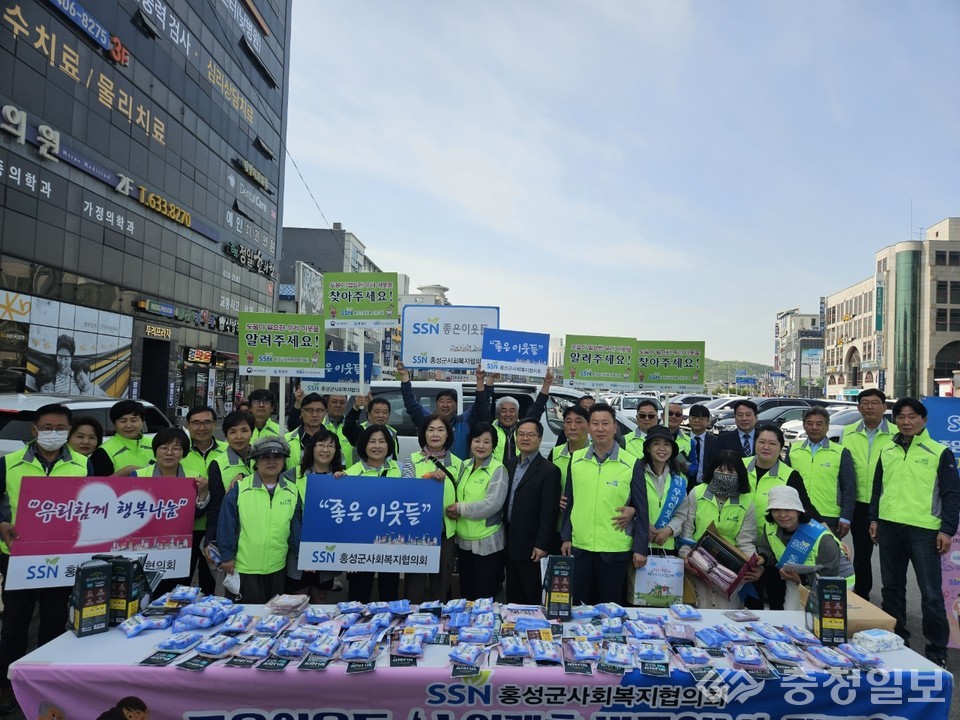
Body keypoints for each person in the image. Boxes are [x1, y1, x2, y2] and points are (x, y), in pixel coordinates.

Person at [0, 404, 88, 713]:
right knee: (14, 624)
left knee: (54, 622)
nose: (54, 433)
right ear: (34, 430)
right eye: (47, 427)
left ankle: (44, 682)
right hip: (18, 556)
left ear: (68, 430)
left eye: (60, 428)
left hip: (63, 559)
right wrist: (1, 525)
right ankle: (7, 684)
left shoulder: (83, 464)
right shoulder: (7, 463)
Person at [869, 397, 960, 668]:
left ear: (924, 420)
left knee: (931, 593)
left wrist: (946, 529)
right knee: (891, 588)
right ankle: (897, 640)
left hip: (925, 531)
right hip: (889, 528)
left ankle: (936, 648)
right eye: (901, 417)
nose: (906, 422)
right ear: (894, 420)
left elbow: (952, 495)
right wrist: (874, 518)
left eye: (912, 417)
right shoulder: (887, 450)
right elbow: (878, 489)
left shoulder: (939, 451)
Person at [561, 403, 649, 605]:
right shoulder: (576, 460)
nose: (600, 429)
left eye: (605, 423)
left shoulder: (631, 463)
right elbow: (569, 502)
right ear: (589, 428)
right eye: (595, 424)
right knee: (579, 607)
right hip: (580, 547)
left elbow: (642, 509)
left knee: (610, 609)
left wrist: (640, 548)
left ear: (615, 426)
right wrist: (566, 536)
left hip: (614, 550)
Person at [744, 423, 822, 610]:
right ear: (755, 443)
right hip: (741, 544)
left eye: (772, 443)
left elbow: (805, 506)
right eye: (761, 442)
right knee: (748, 600)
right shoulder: (739, 466)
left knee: (776, 599)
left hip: (773, 545)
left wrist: (828, 533)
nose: (766, 447)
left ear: (780, 447)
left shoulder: (789, 474)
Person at [217, 436, 302, 603]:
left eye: (277, 457)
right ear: (255, 461)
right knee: (246, 618)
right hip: (244, 567)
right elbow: (226, 524)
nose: (271, 461)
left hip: (277, 567)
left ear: (284, 461)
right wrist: (227, 556)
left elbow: (295, 528)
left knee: (272, 616)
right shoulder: (240, 488)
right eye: (265, 457)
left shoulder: (292, 490)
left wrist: (303, 556)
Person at [131, 428, 210, 596]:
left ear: (183, 453)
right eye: (163, 448)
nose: (169, 453)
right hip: (146, 541)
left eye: (176, 448)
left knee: (178, 587)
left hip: (181, 543)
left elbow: (197, 514)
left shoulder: (193, 477)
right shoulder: (138, 476)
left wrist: (203, 492)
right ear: (155, 450)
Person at [676, 451, 758, 609]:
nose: (725, 474)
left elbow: (746, 541)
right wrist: (686, 557)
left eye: (731, 471)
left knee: (727, 615)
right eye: (720, 470)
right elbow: (687, 531)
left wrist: (750, 567)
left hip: (729, 570)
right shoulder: (697, 493)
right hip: (698, 564)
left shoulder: (747, 502)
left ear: (740, 474)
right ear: (712, 470)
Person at [401, 414, 464, 603]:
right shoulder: (412, 460)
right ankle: (412, 623)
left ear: (447, 435)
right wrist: (428, 478)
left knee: (442, 580)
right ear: (424, 434)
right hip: (418, 532)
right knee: (415, 582)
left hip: (446, 531)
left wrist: (457, 508)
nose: (435, 434)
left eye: (440, 430)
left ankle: (439, 622)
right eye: (430, 430)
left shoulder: (459, 464)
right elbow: (406, 491)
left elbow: (462, 494)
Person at [840, 388, 894, 601]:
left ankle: (892, 600)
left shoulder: (897, 433)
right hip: (859, 503)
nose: (870, 406)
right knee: (862, 554)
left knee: (891, 557)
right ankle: (862, 596)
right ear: (858, 407)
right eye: (865, 402)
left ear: (884, 407)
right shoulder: (849, 432)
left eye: (875, 402)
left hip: (887, 503)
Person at [756, 485, 854, 600]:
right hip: (797, 578)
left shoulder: (823, 539)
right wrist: (763, 558)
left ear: (799, 511)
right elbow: (767, 549)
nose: (782, 515)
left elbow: (829, 572)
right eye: (776, 509)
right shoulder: (769, 527)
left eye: (788, 509)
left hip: (836, 582)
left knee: (814, 615)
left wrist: (803, 579)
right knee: (791, 614)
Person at [503, 418, 560, 604]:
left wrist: (542, 544)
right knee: (512, 594)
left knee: (532, 595)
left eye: (530, 435)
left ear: (540, 438)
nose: (525, 438)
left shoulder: (549, 470)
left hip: (533, 546)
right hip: (510, 541)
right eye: (521, 434)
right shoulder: (509, 464)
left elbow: (549, 512)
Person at [448, 422, 508, 600]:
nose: (481, 446)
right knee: (467, 593)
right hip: (464, 541)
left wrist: (460, 509)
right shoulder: (464, 466)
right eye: (477, 440)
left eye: (486, 442)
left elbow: (492, 504)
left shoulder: (498, 470)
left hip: (487, 542)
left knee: (485, 596)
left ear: (493, 445)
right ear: (470, 442)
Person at [344, 424, 403, 603]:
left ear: (389, 445)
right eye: (372, 442)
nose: (377, 446)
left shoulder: (401, 469)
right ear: (364, 445)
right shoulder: (350, 474)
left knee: (390, 593)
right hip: (360, 544)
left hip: (392, 543)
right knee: (358, 595)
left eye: (382, 441)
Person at [289, 429, 345, 602]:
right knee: (298, 599)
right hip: (297, 549)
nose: (325, 450)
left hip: (327, 550)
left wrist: (347, 485)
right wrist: (304, 554)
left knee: (320, 598)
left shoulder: (342, 478)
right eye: (321, 445)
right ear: (311, 448)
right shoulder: (293, 475)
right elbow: (293, 519)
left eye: (330, 446)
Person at [784, 407, 856, 537]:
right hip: (798, 513)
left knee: (827, 555)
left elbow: (849, 487)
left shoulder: (841, 452)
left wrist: (845, 517)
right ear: (804, 426)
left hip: (829, 515)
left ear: (827, 426)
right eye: (810, 423)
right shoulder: (793, 450)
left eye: (819, 423)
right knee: (798, 555)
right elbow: (785, 484)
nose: (814, 427)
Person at [397, 361, 485, 459]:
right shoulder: (428, 420)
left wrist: (480, 380)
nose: (445, 405)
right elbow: (411, 404)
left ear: (456, 405)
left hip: (458, 472)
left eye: (449, 401)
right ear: (436, 404)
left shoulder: (464, 421)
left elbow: (480, 405)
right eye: (441, 401)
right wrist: (405, 376)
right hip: (431, 470)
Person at [181, 406, 225, 595]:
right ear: (187, 425)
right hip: (184, 528)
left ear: (214, 425)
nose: (202, 427)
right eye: (196, 423)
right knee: (181, 581)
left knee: (210, 582)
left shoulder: (227, 451)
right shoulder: (178, 450)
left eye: (207, 422)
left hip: (215, 528)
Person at [204, 410, 256, 559]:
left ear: (252, 432)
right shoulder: (218, 464)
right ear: (225, 436)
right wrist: (211, 539)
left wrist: (246, 477)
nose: (239, 437)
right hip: (233, 530)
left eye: (244, 430)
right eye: (232, 432)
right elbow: (216, 506)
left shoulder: (264, 457)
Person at [638, 426, 686, 555]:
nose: (662, 448)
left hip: (666, 546)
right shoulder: (636, 475)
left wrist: (669, 529)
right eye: (656, 444)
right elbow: (629, 506)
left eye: (667, 444)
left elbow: (681, 514)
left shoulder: (679, 481)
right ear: (648, 448)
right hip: (639, 545)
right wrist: (643, 526)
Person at [90, 401, 154, 476]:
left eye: (134, 420)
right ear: (114, 424)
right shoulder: (103, 452)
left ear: (142, 422)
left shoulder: (155, 444)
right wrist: (124, 473)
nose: (129, 425)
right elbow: (98, 485)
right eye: (123, 421)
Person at [284, 393, 328, 469]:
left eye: (319, 410)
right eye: (310, 410)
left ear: (325, 413)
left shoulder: (333, 440)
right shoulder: (286, 439)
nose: (314, 415)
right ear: (302, 412)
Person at [685, 404, 718, 485]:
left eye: (700, 418)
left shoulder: (716, 441)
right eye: (693, 417)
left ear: (707, 421)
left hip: (707, 486)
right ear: (689, 420)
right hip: (685, 485)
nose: (696, 421)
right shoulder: (682, 439)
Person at [323, 394, 355, 467]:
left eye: (342, 402)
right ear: (327, 403)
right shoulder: (318, 426)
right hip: (324, 475)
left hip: (348, 475)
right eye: (334, 402)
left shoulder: (353, 427)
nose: (338, 405)